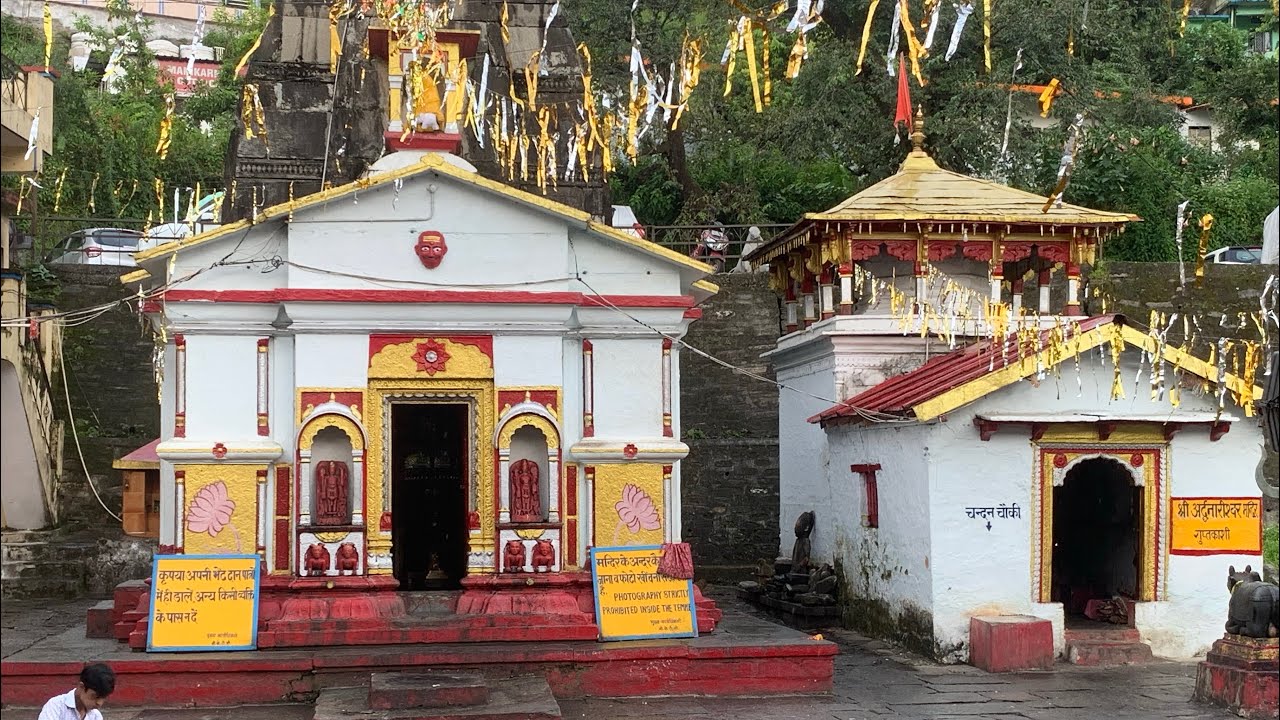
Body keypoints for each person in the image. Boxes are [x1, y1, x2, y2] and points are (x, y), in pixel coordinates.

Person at [38, 663, 114, 720]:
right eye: (95, 697)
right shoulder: (56, 706)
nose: (99, 703)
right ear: (81, 687)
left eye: (103, 698)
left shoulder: (95, 716)